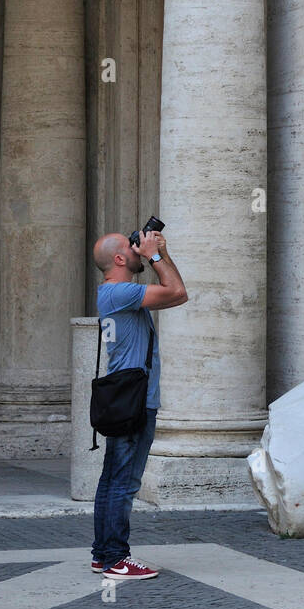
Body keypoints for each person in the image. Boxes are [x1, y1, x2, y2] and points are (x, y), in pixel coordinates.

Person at [90, 228, 187, 579]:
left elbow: (173, 292)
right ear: (119, 259)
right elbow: (178, 292)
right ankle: (117, 558)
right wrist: (155, 256)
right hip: (135, 401)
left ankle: (102, 555)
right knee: (124, 483)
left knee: (111, 480)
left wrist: (159, 252)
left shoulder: (115, 294)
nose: (136, 251)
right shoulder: (121, 292)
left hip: (125, 398)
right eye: (131, 250)